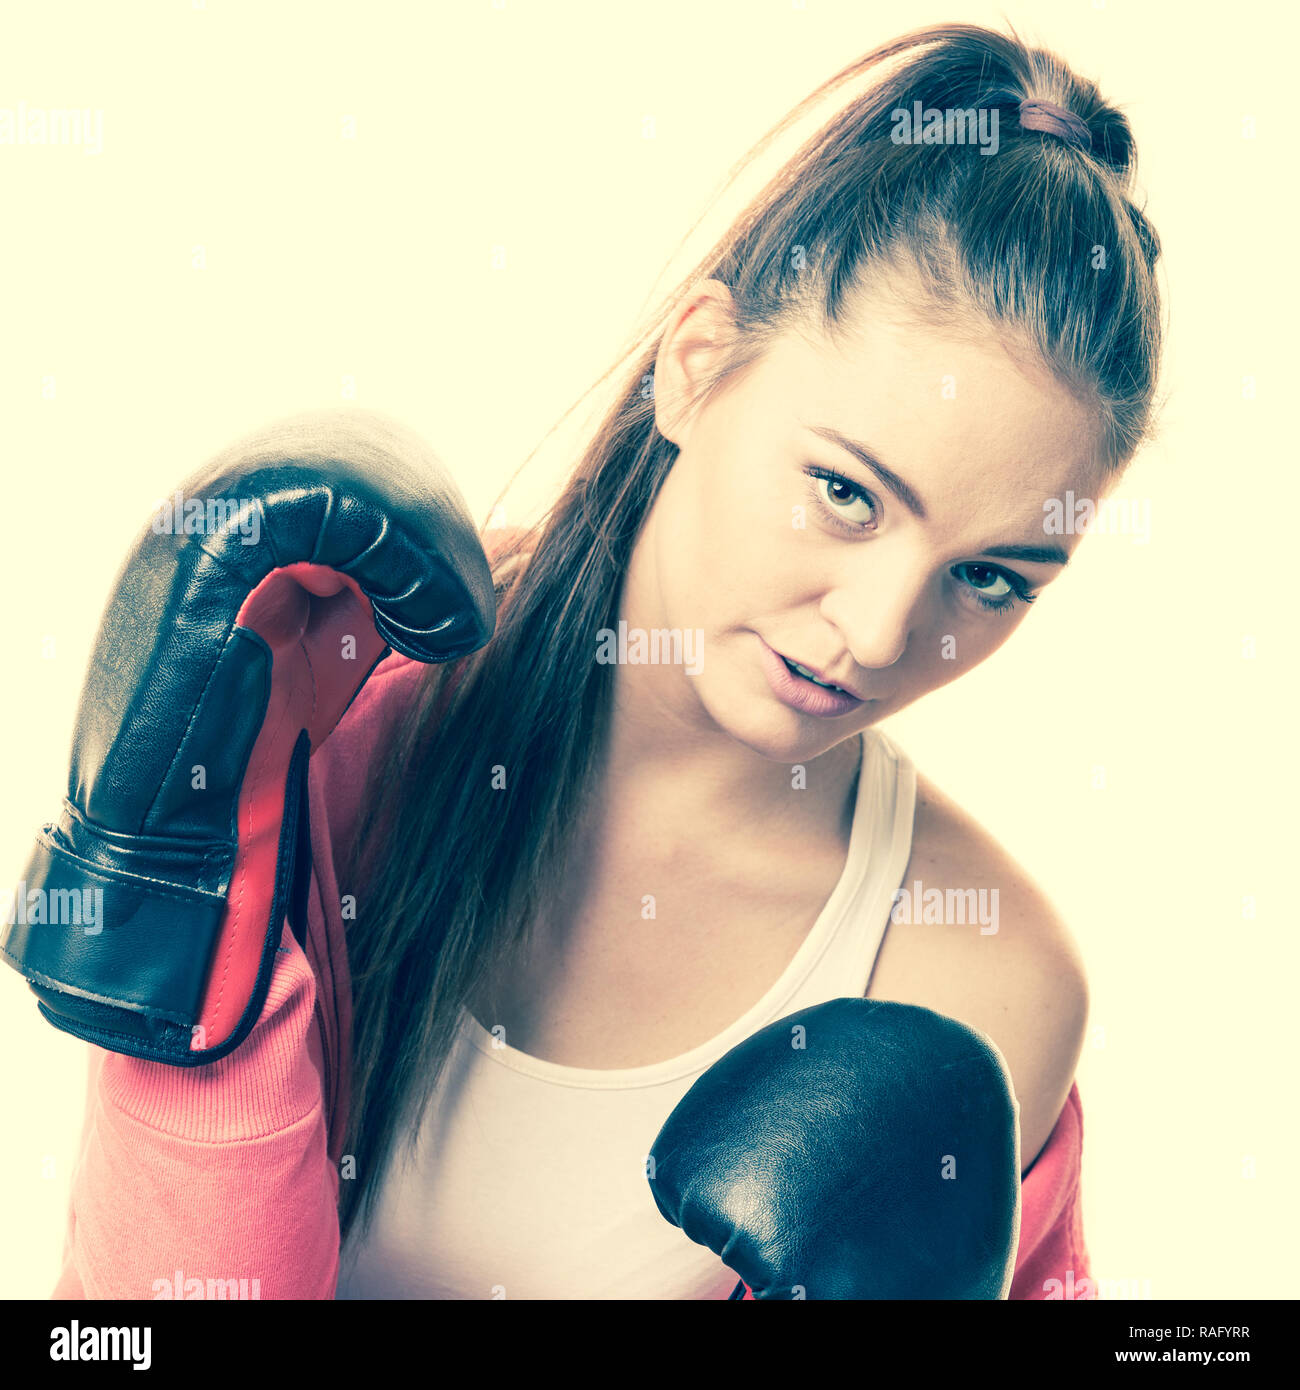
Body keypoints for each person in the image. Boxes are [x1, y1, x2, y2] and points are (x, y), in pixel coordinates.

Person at [39, 20, 1161, 1299]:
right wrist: (179, 939)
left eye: (991, 576)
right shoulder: (336, 711)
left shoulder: (978, 983)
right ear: (696, 365)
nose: (880, 632)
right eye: (847, 493)